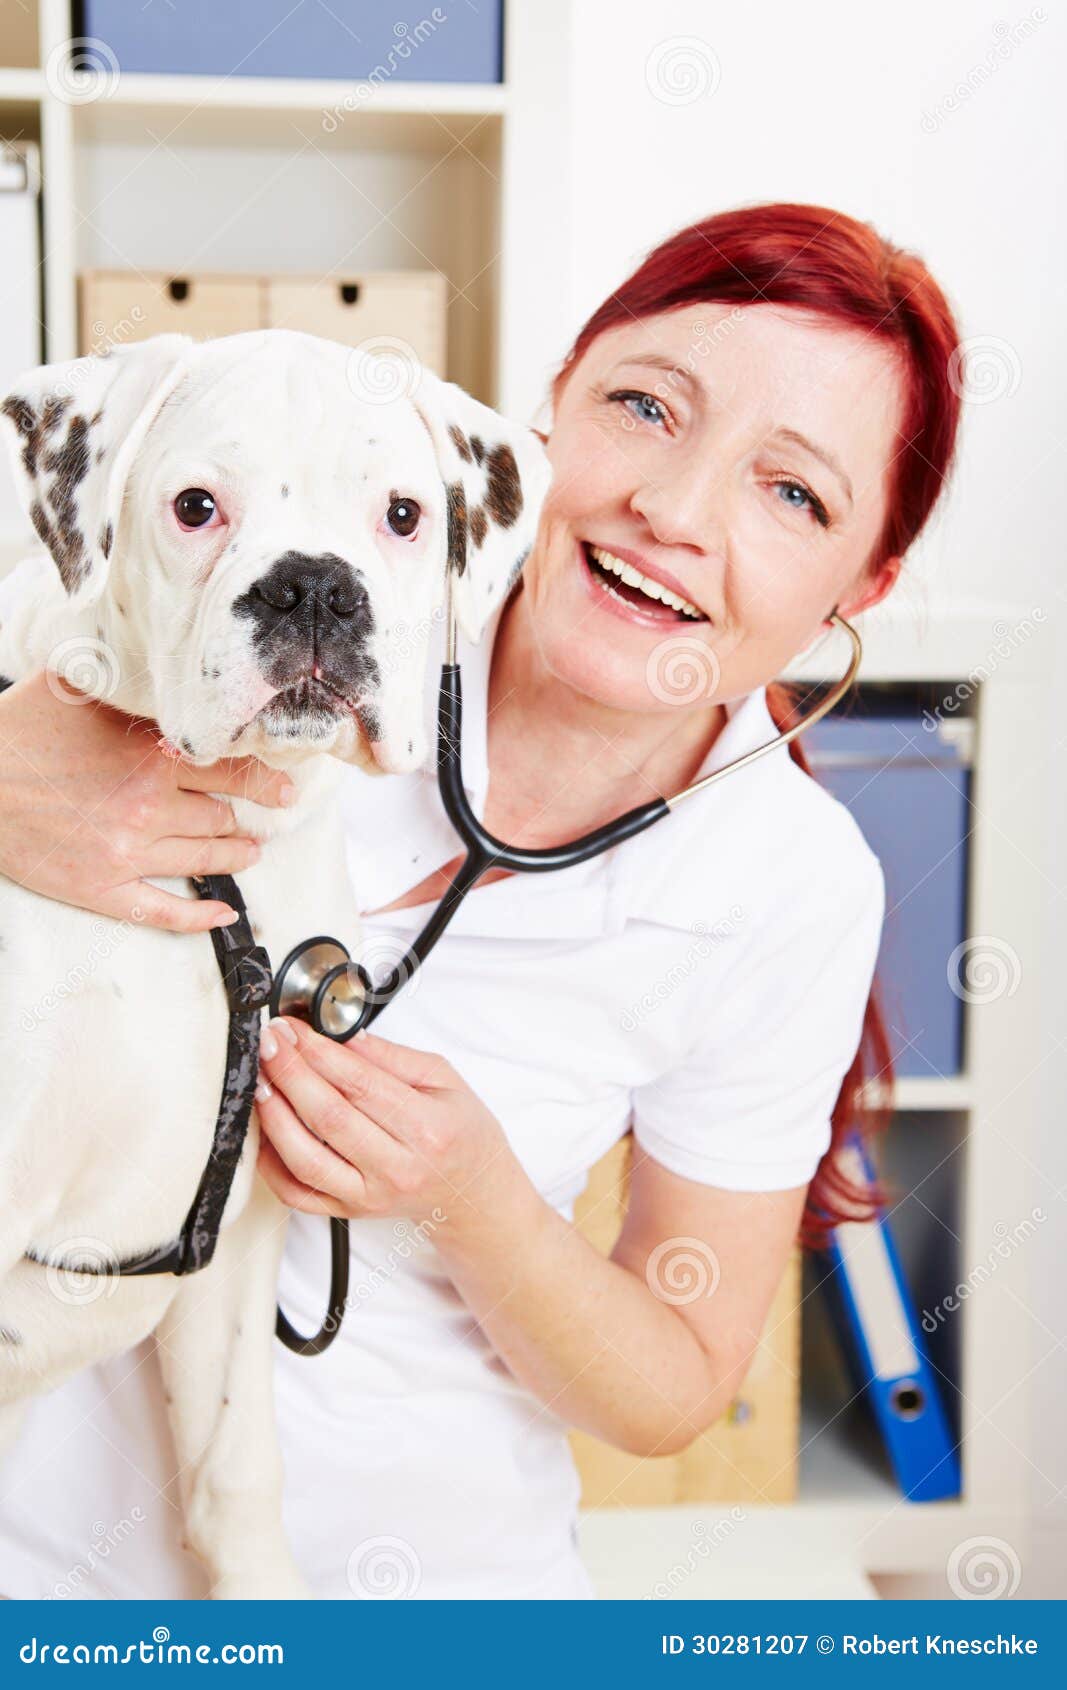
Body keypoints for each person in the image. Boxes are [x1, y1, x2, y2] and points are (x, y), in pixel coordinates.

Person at [0, 203, 962, 1600]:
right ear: (555, 399)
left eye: (792, 493)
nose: (676, 510)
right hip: (47, 1572)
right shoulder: (260, 578)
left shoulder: (791, 882)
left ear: (859, 582)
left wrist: (475, 1200)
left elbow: (673, 1383)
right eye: (646, 407)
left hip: (435, 1596)